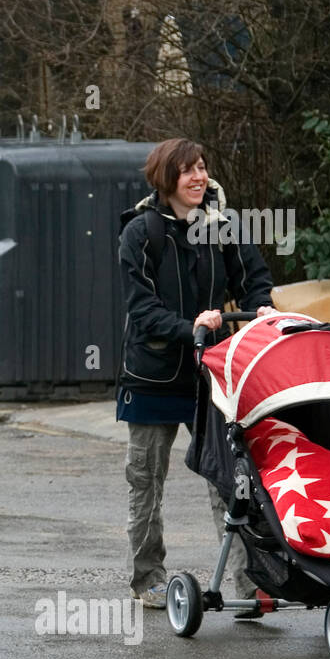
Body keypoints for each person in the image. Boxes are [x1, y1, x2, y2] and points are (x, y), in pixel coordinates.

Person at [117, 137, 275, 610]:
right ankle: (149, 580)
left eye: (202, 167)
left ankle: (251, 582)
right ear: (166, 178)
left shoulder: (224, 224)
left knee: (230, 479)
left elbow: (253, 280)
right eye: (187, 170)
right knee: (147, 482)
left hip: (213, 374)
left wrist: (262, 311)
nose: (198, 177)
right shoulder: (140, 233)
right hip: (153, 377)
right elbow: (143, 309)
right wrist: (189, 329)